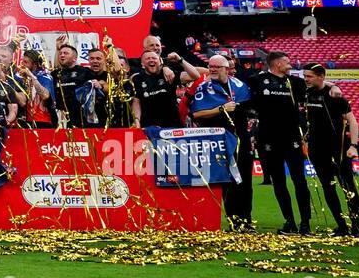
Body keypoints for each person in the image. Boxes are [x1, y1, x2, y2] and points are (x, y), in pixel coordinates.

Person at [184, 55, 253, 231]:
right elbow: (196, 114)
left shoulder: (239, 86)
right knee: (227, 182)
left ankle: (247, 219)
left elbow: (249, 106)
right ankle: (233, 220)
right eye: (210, 66)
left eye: (217, 66)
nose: (213, 69)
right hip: (218, 140)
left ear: (227, 69)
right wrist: (220, 109)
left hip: (240, 139)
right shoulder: (204, 88)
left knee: (245, 181)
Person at [246, 50, 312, 236]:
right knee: (278, 183)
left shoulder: (296, 83)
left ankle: (305, 222)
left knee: (300, 181)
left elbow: (315, 87)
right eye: (286, 61)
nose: (290, 63)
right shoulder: (257, 80)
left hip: (292, 138)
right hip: (268, 138)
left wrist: (331, 86)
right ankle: (289, 221)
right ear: (276, 64)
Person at [303, 63, 359, 237]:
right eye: (305, 76)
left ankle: (356, 226)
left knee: (347, 186)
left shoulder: (335, 97)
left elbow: (353, 121)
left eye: (310, 76)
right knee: (328, 187)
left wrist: (353, 145)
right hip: (316, 148)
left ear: (321, 76)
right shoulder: (307, 93)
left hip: (338, 148)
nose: (306, 79)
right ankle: (341, 226)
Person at [131, 50, 182, 129]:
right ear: (142, 63)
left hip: (172, 126)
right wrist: (136, 120)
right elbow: (136, 101)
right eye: (148, 58)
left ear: (160, 61)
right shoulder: (137, 79)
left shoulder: (169, 74)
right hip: (149, 127)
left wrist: (180, 60)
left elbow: (195, 75)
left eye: (154, 58)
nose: (151, 60)